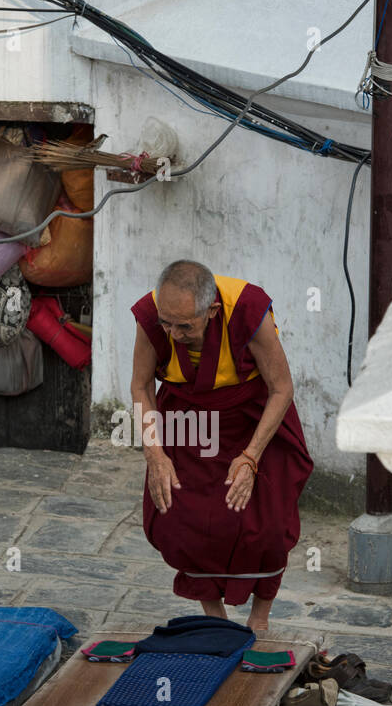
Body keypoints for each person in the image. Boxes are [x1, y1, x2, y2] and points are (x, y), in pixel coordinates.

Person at [130, 260, 314, 631]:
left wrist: (251, 457)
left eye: (185, 326)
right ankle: (216, 620)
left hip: (253, 415)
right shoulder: (152, 314)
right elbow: (141, 386)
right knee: (186, 517)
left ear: (212, 311)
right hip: (189, 417)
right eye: (167, 324)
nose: (173, 334)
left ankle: (259, 619)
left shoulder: (248, 310)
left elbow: (281, 388)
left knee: (268, 524)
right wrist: (156, 454)